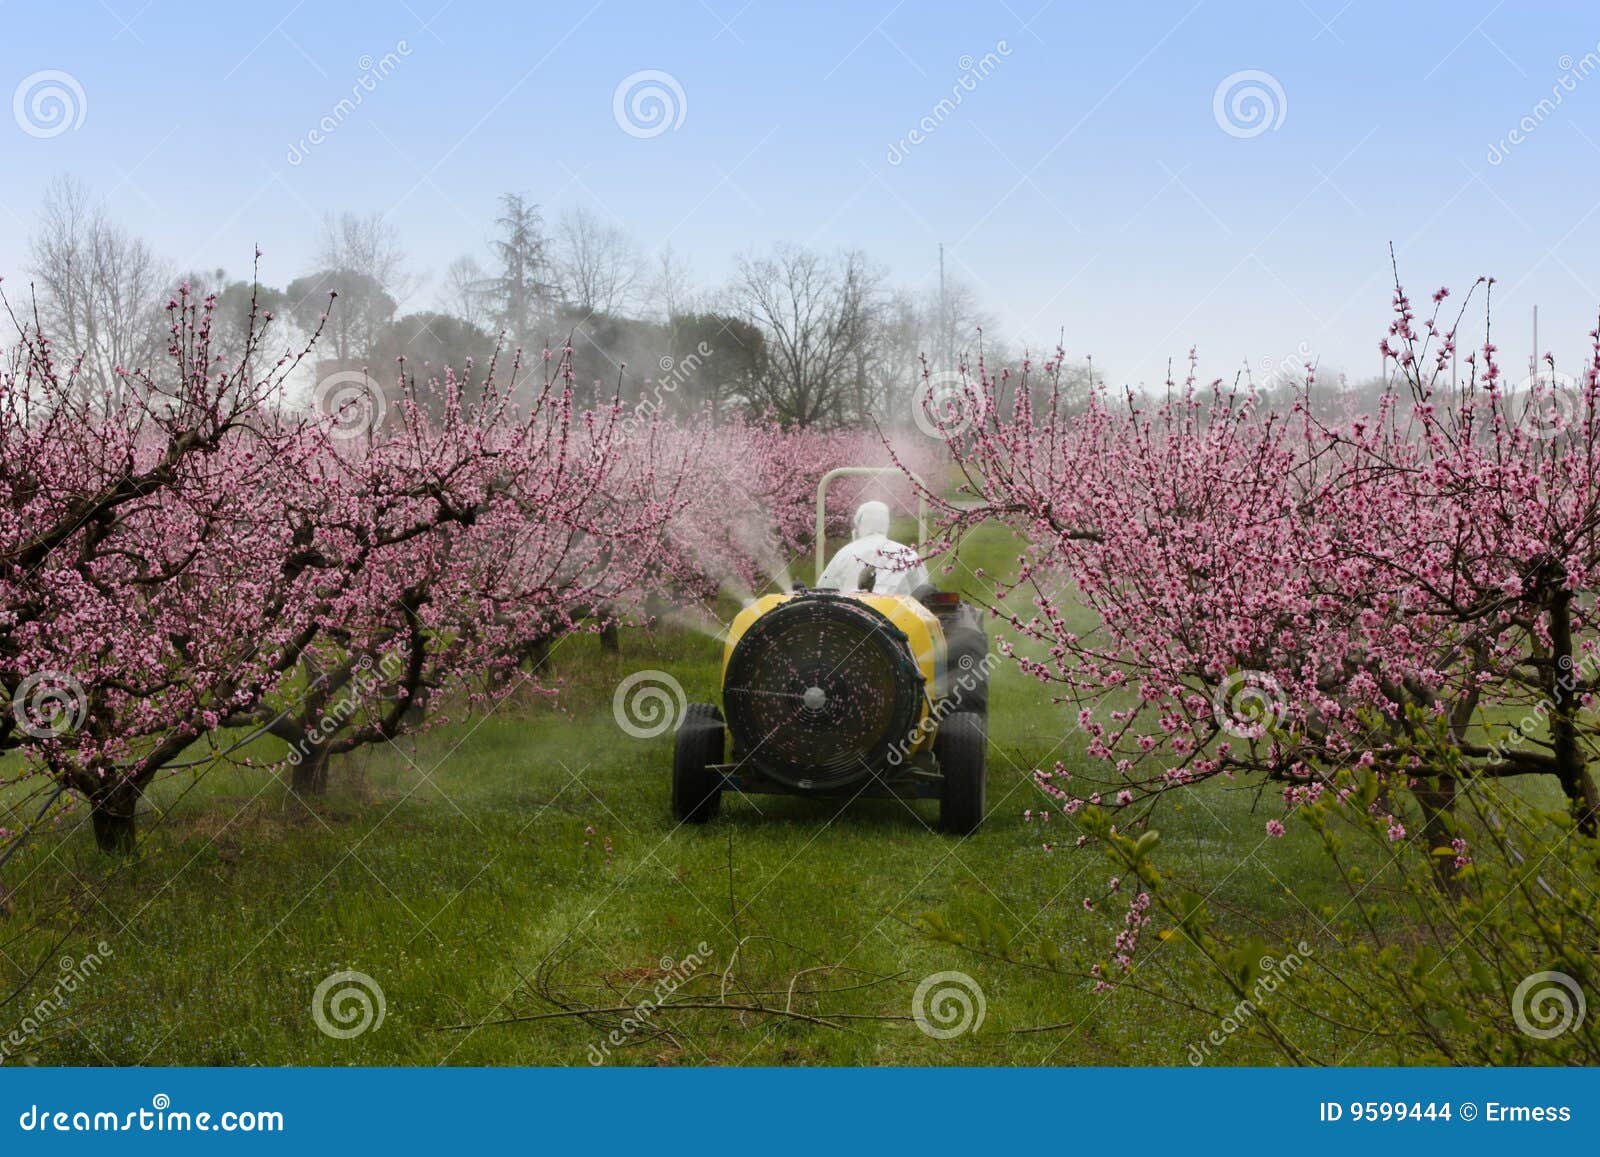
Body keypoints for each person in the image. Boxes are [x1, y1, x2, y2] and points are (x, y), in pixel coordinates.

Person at [816, 500, 929, 596]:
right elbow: (923, 593)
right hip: (898, 614)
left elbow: (823, 590)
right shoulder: (908, 555)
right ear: (886, 523)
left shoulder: (844, 553)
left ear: (859, 524)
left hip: (850, 614)